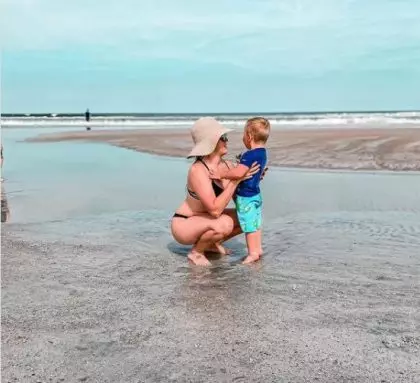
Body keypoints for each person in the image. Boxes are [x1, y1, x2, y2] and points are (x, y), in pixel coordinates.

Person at [170, 117, 262, 266]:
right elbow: (214, 210)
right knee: (224, 223)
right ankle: (197, 253)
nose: (227, 141)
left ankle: (211, 244)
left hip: (206, 219)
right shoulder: (198, 170)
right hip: (185, 222)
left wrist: (253, 177)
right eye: (223, 138)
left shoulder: (227, 166)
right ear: (211, 143)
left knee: (246, 214)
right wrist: (236, 180)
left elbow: (239, 196)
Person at [209, 117, 270, 264]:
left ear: (249, 137)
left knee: (249, 225)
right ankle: (258, 248)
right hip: (255, 194)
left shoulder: (248, 155)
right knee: (255, 223)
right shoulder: (262, 153)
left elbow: (238, 173)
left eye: (243, 134)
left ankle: (253, 253)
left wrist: (221, 174)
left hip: (246, 196)